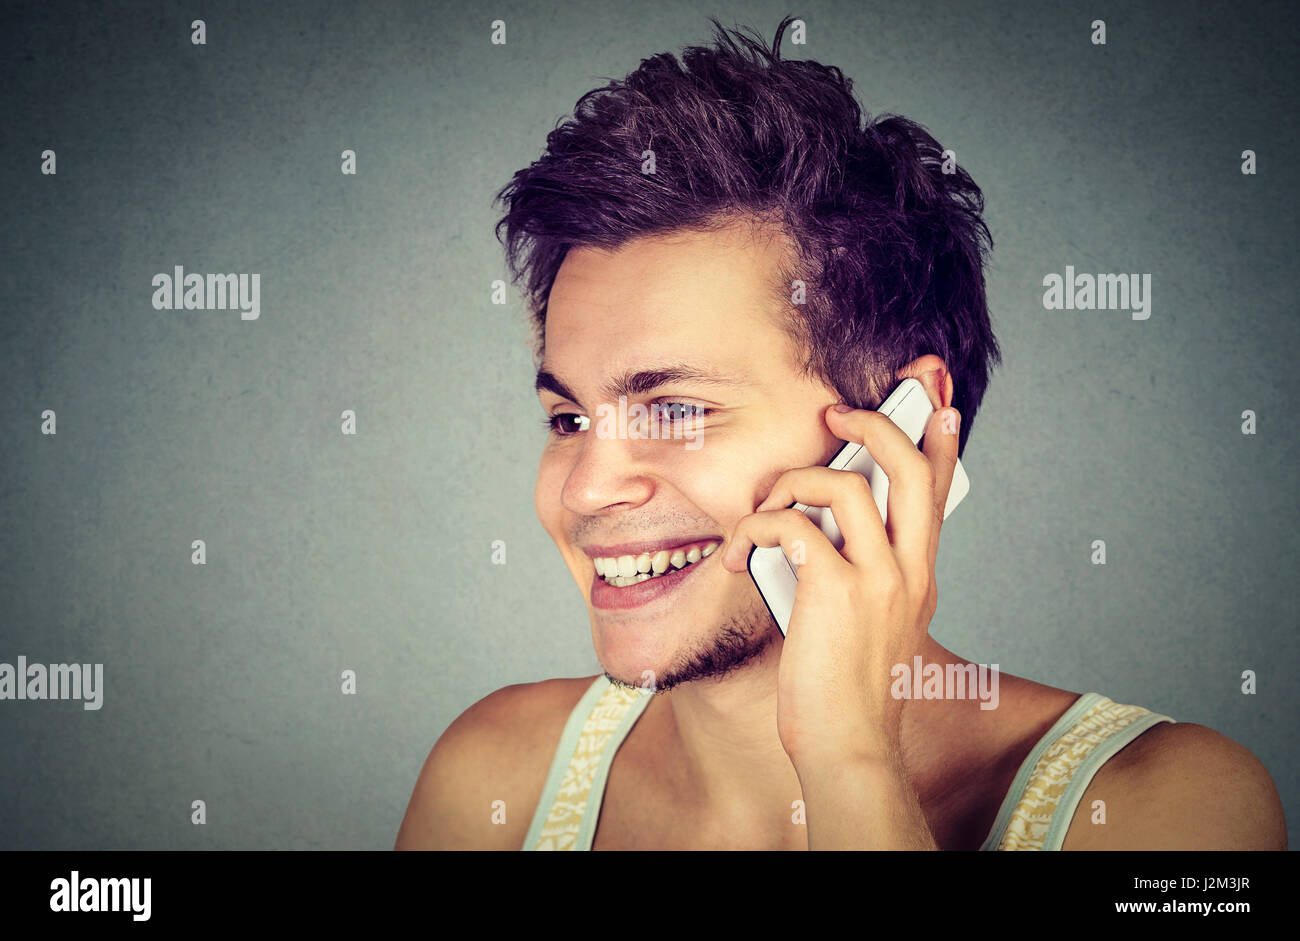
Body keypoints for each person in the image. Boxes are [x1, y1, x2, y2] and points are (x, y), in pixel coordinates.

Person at [396, 17, 1285, 850]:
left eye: (674, 408)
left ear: (902, 425)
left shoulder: (1173, 810)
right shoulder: (491, 780)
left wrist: (849, 758)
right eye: (568, 418)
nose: (585, 490)